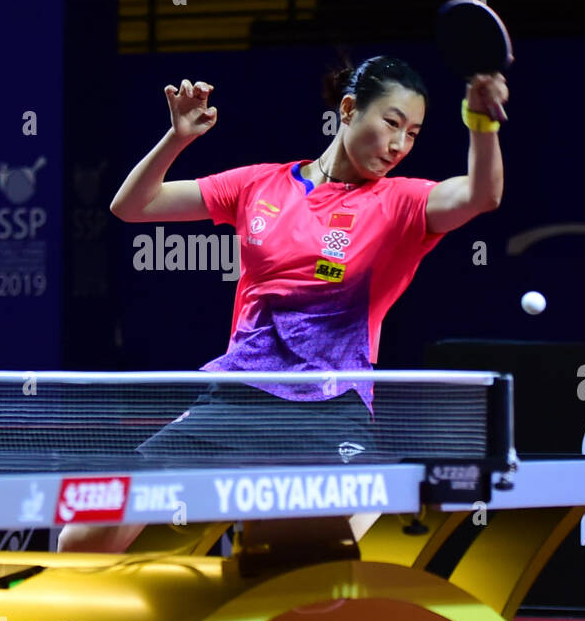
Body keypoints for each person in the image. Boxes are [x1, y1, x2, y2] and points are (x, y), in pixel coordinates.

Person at [57, 56, 507, 554]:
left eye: (414, 134)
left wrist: (481, 123)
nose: (400, 145)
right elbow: (132, 206)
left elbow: (481, 195)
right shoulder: (259, 185)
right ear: (349, 109)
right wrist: (178, 138)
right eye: (392, 123)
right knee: (84, 534)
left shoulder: (401, 203)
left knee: (315, 549)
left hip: (330, 407)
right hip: (238, 397)